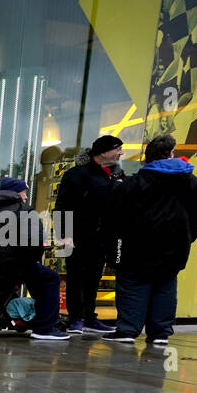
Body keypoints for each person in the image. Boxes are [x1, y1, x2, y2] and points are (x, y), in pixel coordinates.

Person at [102, 134, 197, 344]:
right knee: (165, 286)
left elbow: (114, 218)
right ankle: (160, 333)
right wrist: (186, 237)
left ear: (148, 158)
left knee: (133, 285)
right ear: (171, 154)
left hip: (135, 248)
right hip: (174, 248)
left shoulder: (133, 184)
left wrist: (115, 248)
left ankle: (127, 330)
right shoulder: (190, 182)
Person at [0, 176, 69, 340]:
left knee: (33, 275)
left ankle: (29, 315)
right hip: (12, 266)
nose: (25, 196)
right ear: (16, 193)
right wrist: (36, 255)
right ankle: (44, 327)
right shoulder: (22, 210)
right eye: (24, 192)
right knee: (49, 277)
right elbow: (34, 242)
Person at [54, 134, 125, 335]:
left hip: (104, 237)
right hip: (78, 236)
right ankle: (75, 318)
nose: (121, 152)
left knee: (94, 278)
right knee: (76, 277)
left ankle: (89, 317)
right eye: (117, 148)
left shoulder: (117, 175)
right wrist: (64, 235)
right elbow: (61, 206)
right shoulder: (76, 175)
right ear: (103, 152)